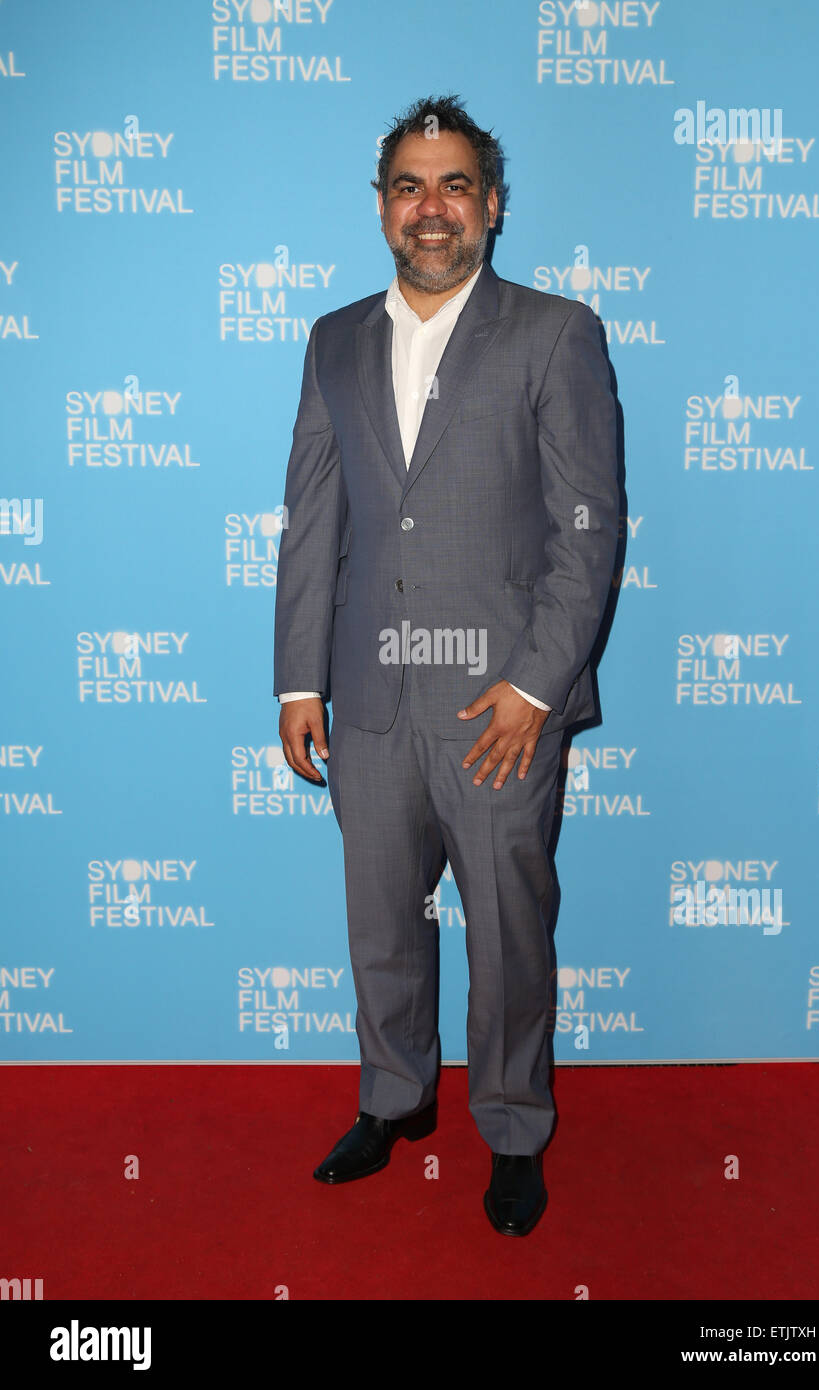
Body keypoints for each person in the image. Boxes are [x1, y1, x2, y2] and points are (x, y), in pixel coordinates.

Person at [274, 94, 619, 1236]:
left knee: (509, 934)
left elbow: (587, 530)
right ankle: (394, 1098)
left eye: (455, 185)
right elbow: (312, 521)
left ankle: (513, 1127)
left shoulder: (553, 332)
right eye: (410, 187)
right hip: (367, 698)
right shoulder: (332, 339)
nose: (433, 209)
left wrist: (533, 687)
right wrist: (298, 680)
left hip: (496, 707)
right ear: (382, 209)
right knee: (381, 921)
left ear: (493, 206)